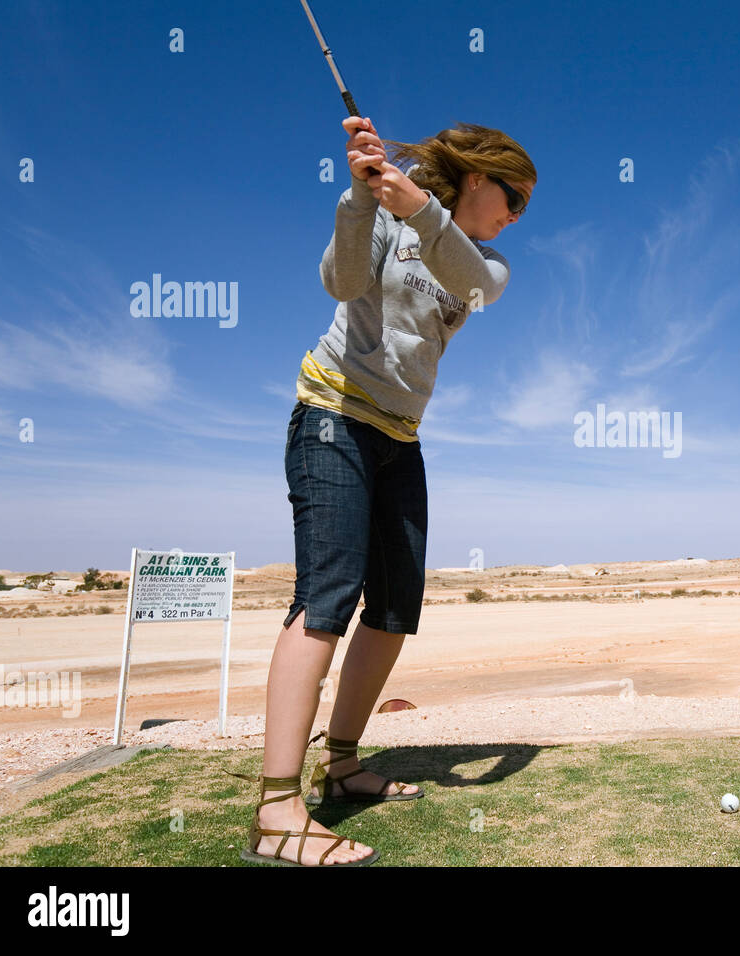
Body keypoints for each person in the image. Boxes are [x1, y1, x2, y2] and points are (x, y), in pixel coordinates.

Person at [231, 116, 537, 866]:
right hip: (333, 414)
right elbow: (341, 282)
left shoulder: (487, 264)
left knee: (395, 610)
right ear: (477, 179)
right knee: (325, 598)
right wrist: (361, 196)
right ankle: (276, 812)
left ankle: (342, 763)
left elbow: (471, 282)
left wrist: (416, 208)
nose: (517, 216)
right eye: (516, 198)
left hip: (400, 437)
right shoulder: (383, 220)